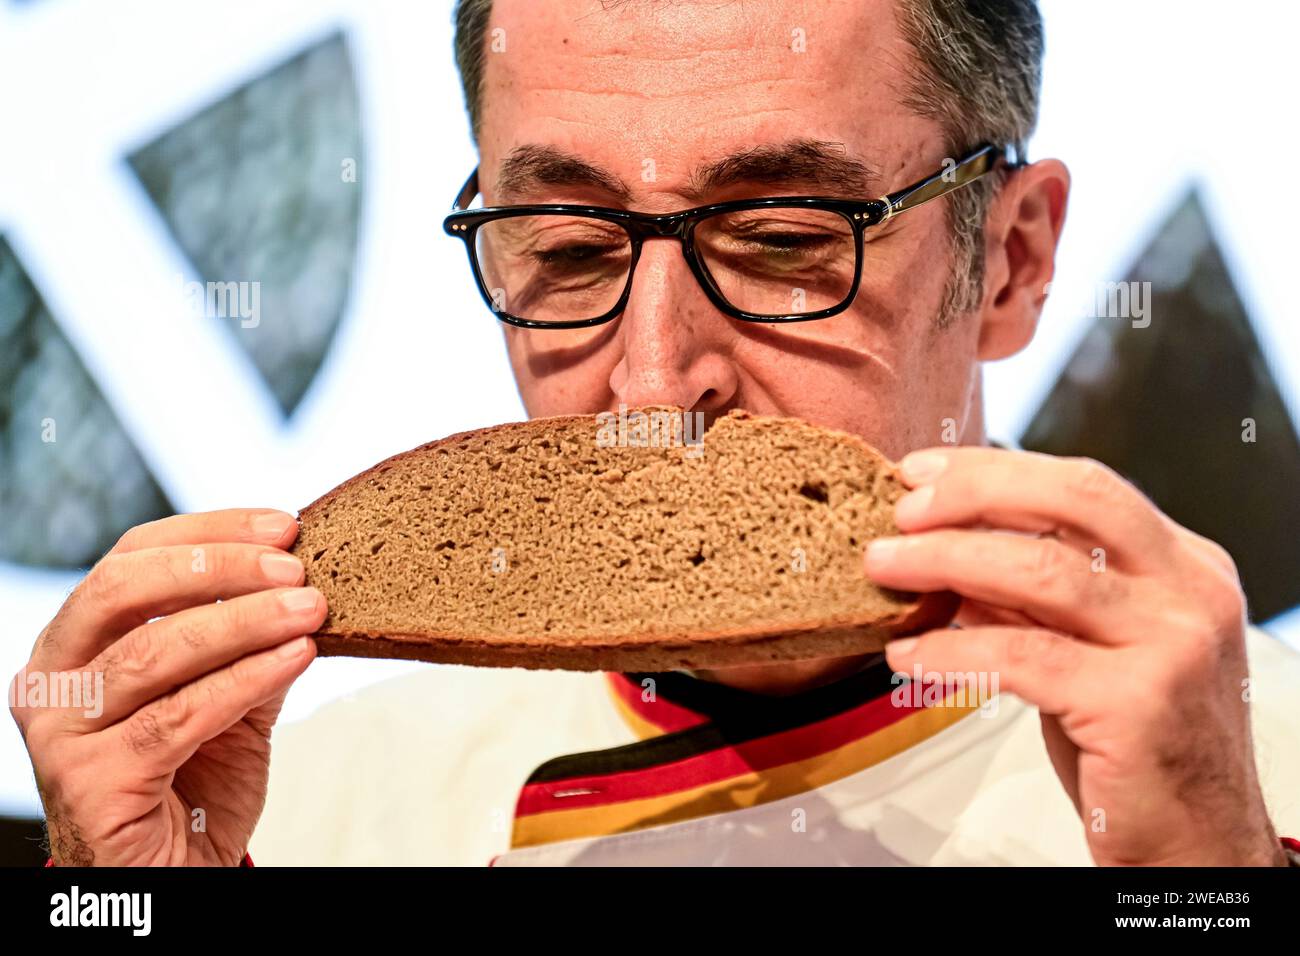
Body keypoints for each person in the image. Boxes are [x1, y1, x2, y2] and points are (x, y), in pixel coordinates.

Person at [13, 0, 1300, 867]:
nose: (650, 385)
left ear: (1012, 262)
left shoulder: (1247, 779)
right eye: (569, 249)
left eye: (789, 239)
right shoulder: (298, 809)